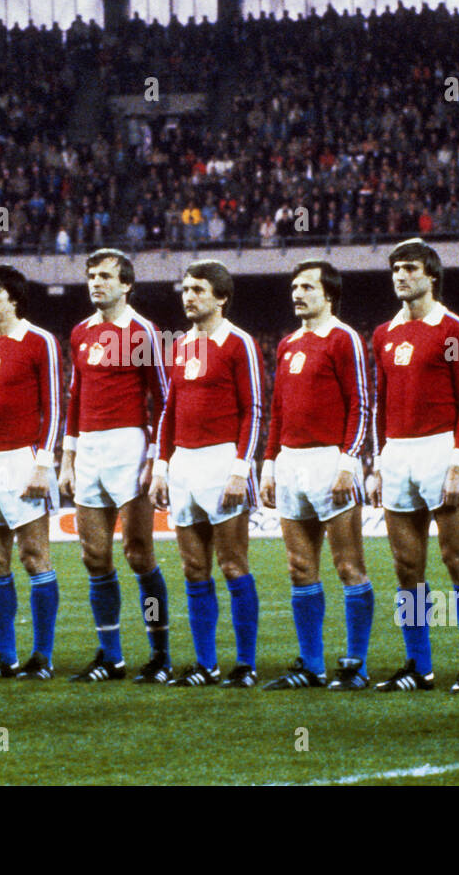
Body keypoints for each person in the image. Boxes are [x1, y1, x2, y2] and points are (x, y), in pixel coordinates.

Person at [368, 239, 459, 693]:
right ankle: (418, 666)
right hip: (397, 453)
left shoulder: (452, 329)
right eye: (396, 268)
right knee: (406, 566)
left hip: (441, 450)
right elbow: (381, 404)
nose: (401, 275)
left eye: (410, 268)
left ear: (430, 276)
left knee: (458, 562)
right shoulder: (384, 334)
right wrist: (378, 463)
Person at [259, 260, 375, 691]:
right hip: (290, 461)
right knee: (299, 566)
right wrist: (268, 464)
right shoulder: (288, 344)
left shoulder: (344, 339)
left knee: (348, 565)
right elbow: (277, 410)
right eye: (293, 286)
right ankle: (311, 665)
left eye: (307, 287)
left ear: (328, 295)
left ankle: (356, 665)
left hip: (330, 461)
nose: (297, 293)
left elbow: (362, 404)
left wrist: (349, 461)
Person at [58, 249, 172, 683]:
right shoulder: (81, 333)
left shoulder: (143, 332)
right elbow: (75, 396)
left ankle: (159, 654)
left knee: (139, 553)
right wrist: (67, 458)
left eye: (105, 276)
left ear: (126, 285)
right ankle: (111, 657)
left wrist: (156, 459)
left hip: (129, 445)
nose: (95, 283)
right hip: (88, 447)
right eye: (91, 276)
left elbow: (163, 400)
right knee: (94, 556)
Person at [150, 260, 264, 688]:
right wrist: (161, 466)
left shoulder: (239, 344)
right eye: (185, 289)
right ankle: (205, 664)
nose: (188, 296)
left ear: (220, 297)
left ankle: (246, 664)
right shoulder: (179, 347)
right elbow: (170, 411)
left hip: (221, 462)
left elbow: (253, 410)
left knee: (233, 565)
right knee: (193, 568)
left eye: (198, 290)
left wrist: (241, 469)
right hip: (183, 464)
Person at [0, 265, 63, 679]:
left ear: (14, 299)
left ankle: (42, 656)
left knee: (34, 556)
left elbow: (54, 407)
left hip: (23, 458)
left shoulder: (40, 342)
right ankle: (6, 656)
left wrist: (44, 462)